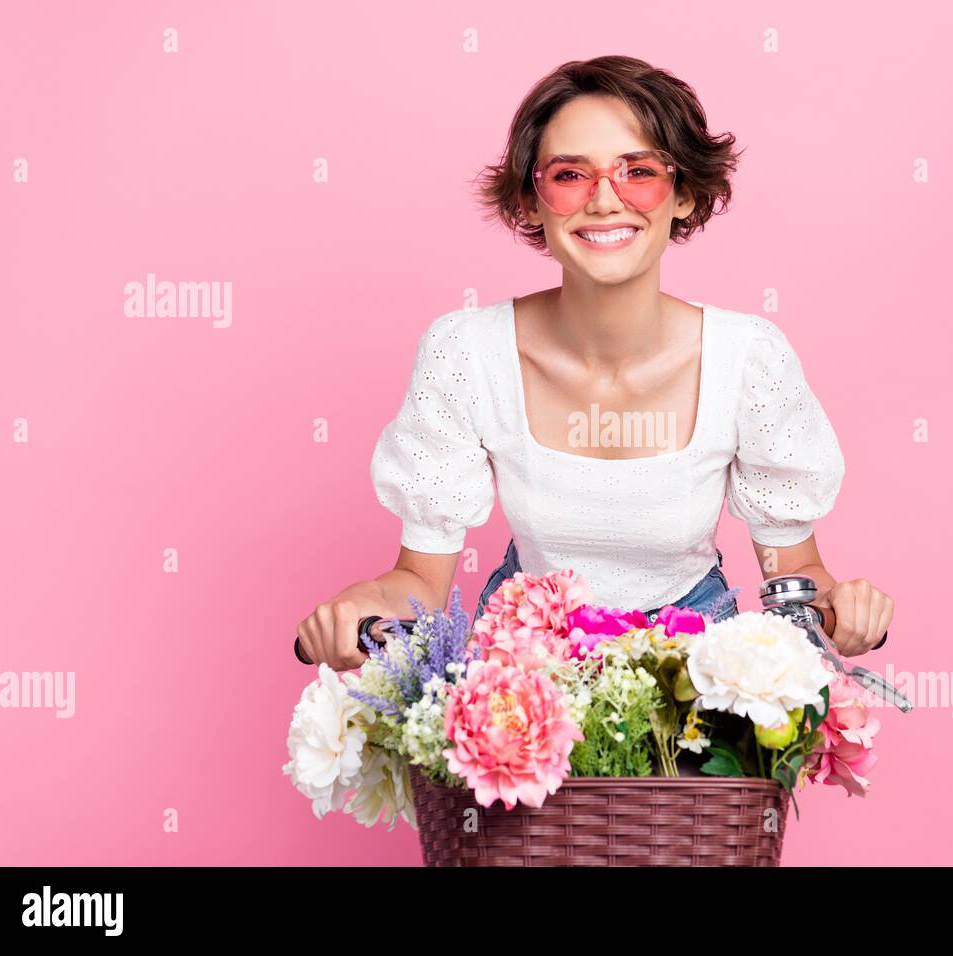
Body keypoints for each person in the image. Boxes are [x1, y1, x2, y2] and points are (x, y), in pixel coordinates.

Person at [296, 55, 893, 672]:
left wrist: (841, 607)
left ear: (684, 194)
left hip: (697, 683)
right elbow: (418, 583)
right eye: (570, 174)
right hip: (519, 680)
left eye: (637, 171)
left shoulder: (749, 360)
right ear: (532, 202)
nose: (606, 200)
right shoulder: (465, 353)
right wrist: (361, 603)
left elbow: (792, 574)